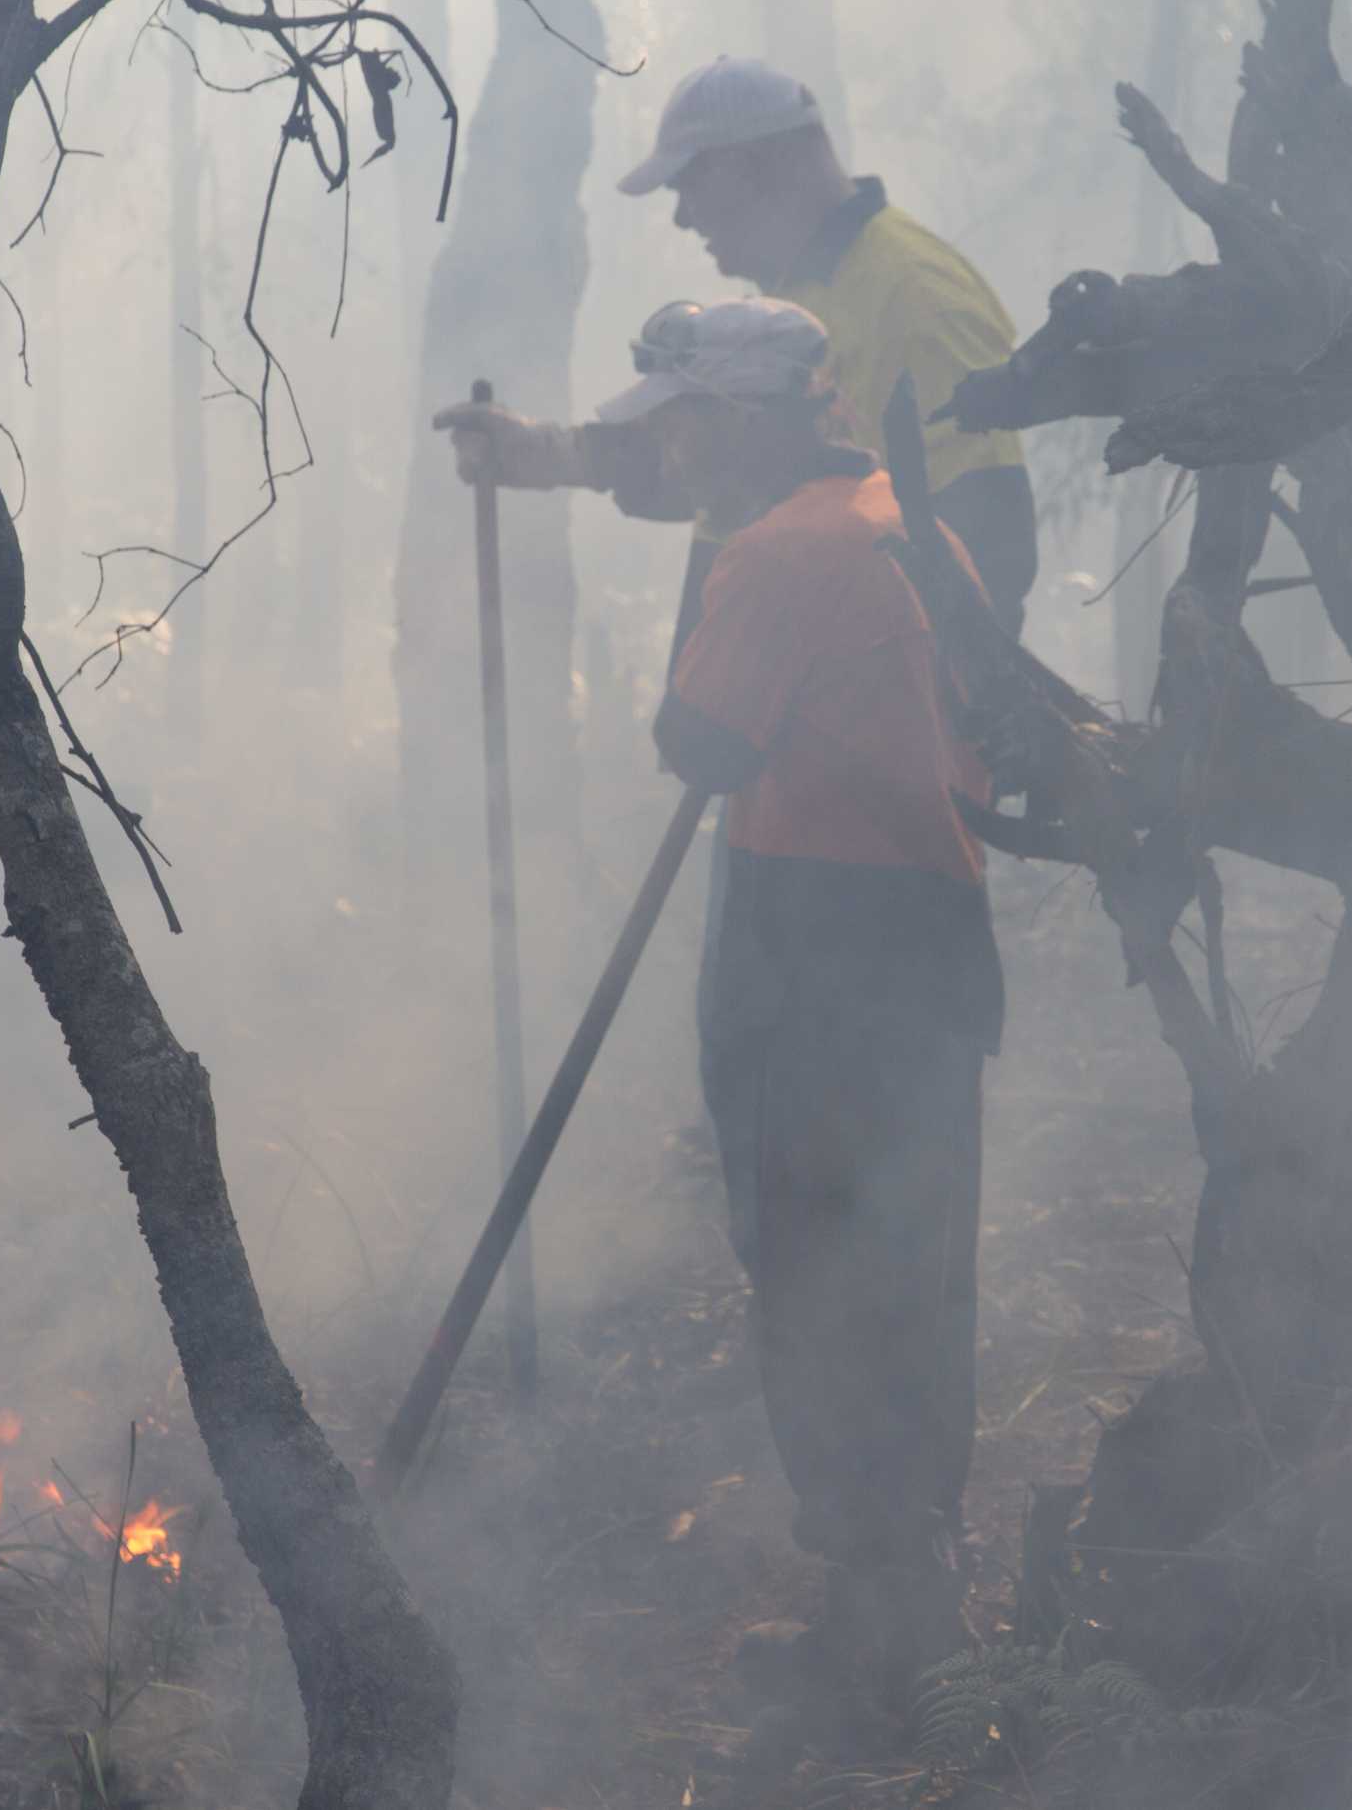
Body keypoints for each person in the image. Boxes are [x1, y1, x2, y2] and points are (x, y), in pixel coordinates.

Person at [545, 297, 1001, 1699]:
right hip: (931, 926)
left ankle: (877, 1609)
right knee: (914, 1260)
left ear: (732, 420)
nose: (662, 454)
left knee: (815, 1266)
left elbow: (702, 739)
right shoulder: (892, 510)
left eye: (674, 423)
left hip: (819, 936)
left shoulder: (780, 551)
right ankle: (913, 1571)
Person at [437, 54, 1039, 635]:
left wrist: (852, 714)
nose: (682, 218)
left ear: (765, 164)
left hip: (824, 725)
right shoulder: (795, 296)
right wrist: (543, 453)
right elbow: (728, 465)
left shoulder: (915, 298)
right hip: (751, 707)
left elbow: (986, 553)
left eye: (689, 184)